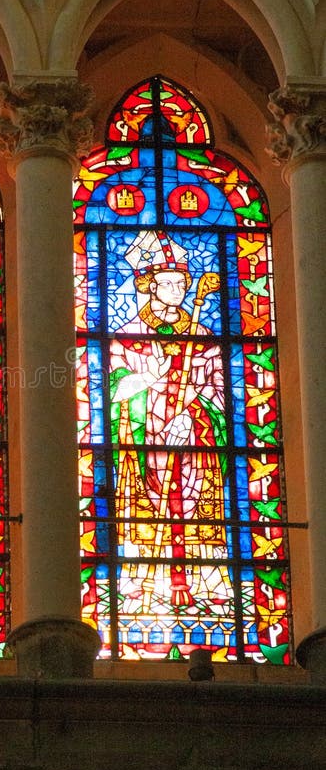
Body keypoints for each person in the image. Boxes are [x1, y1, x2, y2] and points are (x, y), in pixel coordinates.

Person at [109, 230, 231, 612]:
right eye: (168, 283)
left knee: (198, 500)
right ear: (149, 286)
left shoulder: (203, 335)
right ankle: (141, 577)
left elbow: (217, 388)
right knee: (141, 502)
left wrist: (195, 418)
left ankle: (208, 576)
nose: (177, 290)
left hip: (192, 433)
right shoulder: (128, 336)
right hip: (145, 434)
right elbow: (114, 389)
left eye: (182, 283)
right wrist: (147, 381)